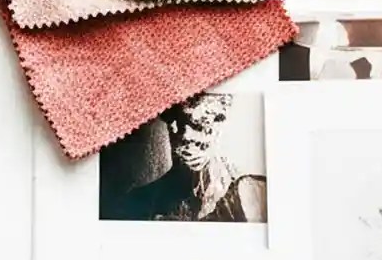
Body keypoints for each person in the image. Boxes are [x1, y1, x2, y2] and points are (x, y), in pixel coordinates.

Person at [107, 94, 267, 222]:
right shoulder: (142, 200)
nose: (185, 136)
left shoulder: (248, 191)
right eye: (178, 123)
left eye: (200, 126)